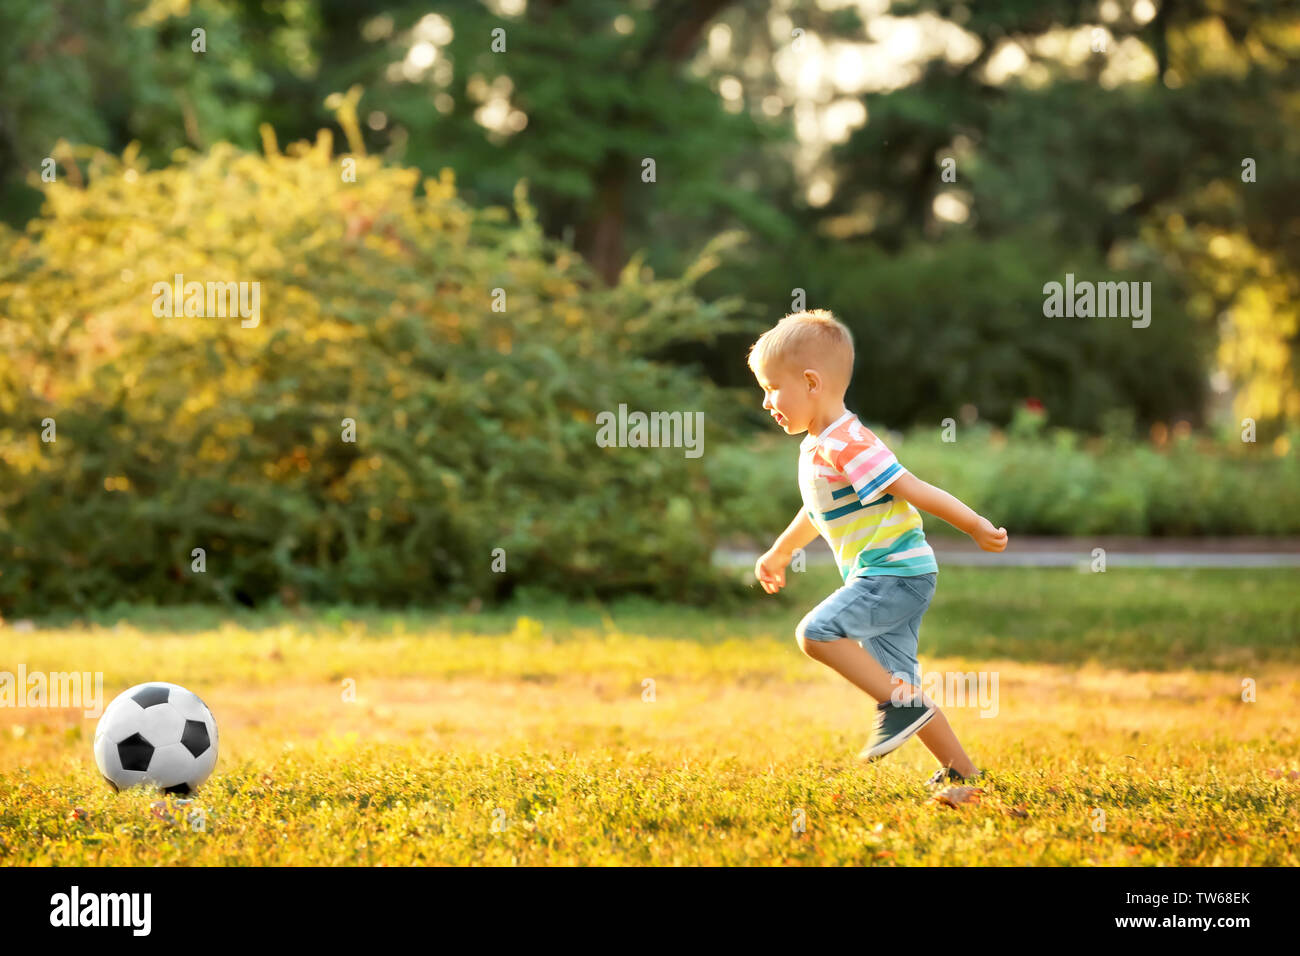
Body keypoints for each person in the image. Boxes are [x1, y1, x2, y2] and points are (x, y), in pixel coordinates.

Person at [749, 309, 1008, 786]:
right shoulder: (820, 445)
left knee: (816, 633)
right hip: (892, 576)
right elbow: (816, 510)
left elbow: (911, 487)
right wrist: (782, 551)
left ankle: (899, 706)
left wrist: (973, 524)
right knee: (903, 687)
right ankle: (963, 777)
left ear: (811, 382)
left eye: (771, 387)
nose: (766, 402)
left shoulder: (848, 441)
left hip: (893, 574)